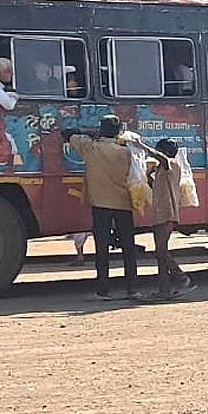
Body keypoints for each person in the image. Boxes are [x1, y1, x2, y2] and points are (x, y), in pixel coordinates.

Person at [64, 115, 140, 300]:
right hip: (123, 203)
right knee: (128, 248)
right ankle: (132, 288)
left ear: (101, 130)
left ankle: (103, 290)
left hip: (100, 205)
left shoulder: (90, 147)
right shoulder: (125, 152)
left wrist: (88, 132)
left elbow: (66, 133)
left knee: (102, 248)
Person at [133, 137, 195, 300]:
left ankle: (182, 279)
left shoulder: (172, 164)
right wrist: (148, 176)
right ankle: (164, 289)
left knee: (161, 252)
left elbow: (162, 158)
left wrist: (142, 146)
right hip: (159, 214)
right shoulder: (162, 169)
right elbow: (157, 188)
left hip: (167, 213)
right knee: (160, 253)